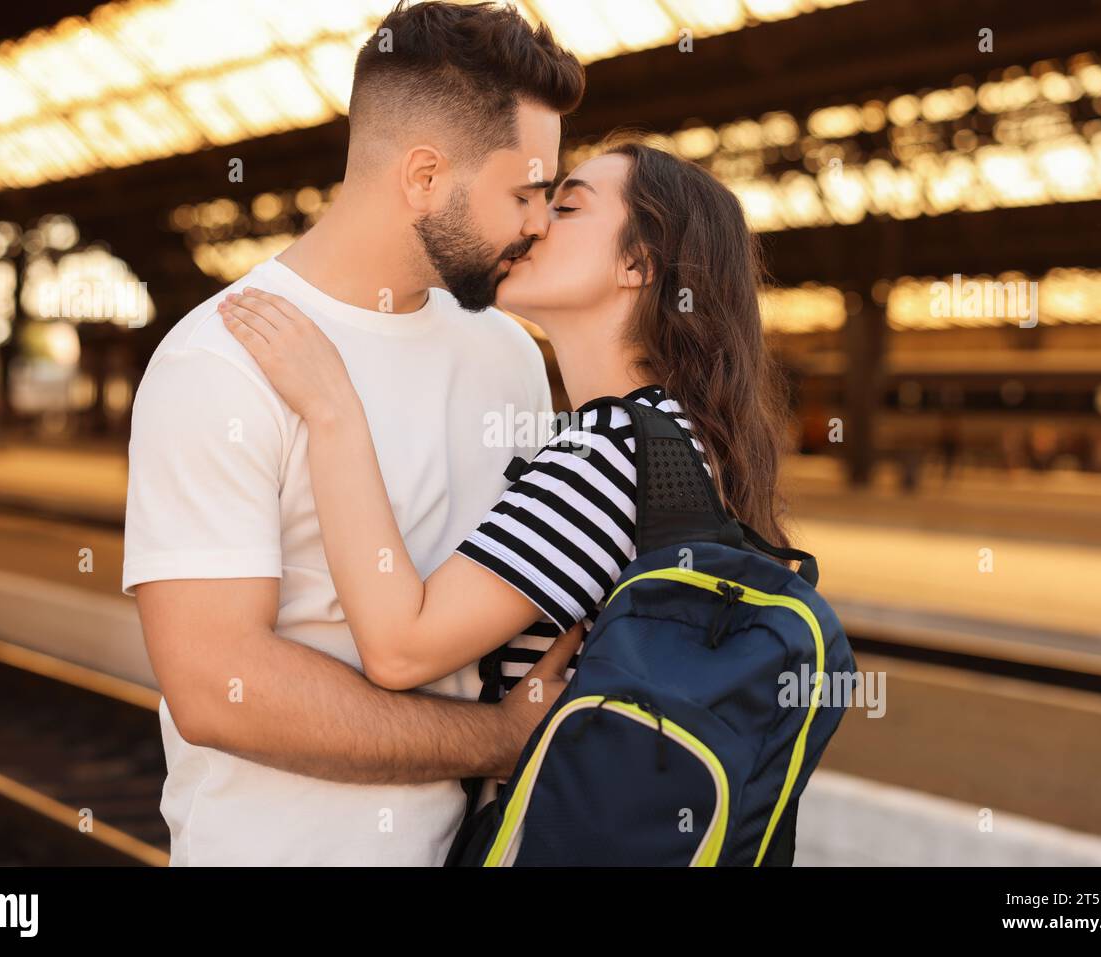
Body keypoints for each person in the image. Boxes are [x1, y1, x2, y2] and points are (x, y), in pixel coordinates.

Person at [123, 1, 586, 866]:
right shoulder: (218, 363)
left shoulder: (511, 357)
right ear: (422, 176)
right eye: (523, 192)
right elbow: (220, 691)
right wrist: (497, 739)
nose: (539, 223)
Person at [218, 139, 796, 807]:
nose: (533, 223)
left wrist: (332, 408)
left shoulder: (608, 449)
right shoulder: (677, 441)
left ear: (638, 262)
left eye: (567, 206)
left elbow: (401, 648)